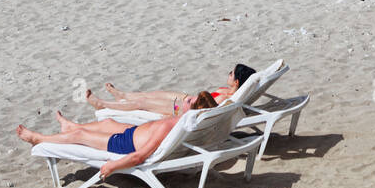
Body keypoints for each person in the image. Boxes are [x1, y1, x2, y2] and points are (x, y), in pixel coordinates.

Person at [17, 92, 218, 179]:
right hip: (132, 133)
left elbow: (141, 156)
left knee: (81, 135)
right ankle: (69, 125)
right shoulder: (183, 123)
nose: (185, 99)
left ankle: (39, 139)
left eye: (189, 100)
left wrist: (113, 165)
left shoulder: (170, 126)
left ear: (192, 109)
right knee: (107, 122)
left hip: (125, 145)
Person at [86, 63, 257, 115]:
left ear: (236, 82)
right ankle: (121, 95)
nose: (228, 74)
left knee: (142, 102)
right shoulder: (228, 92)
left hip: (182, 110)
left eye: (231, 73)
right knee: (151, 94)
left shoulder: (224, 99)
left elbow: (203, 113)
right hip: (187, 99)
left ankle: (102, 105)